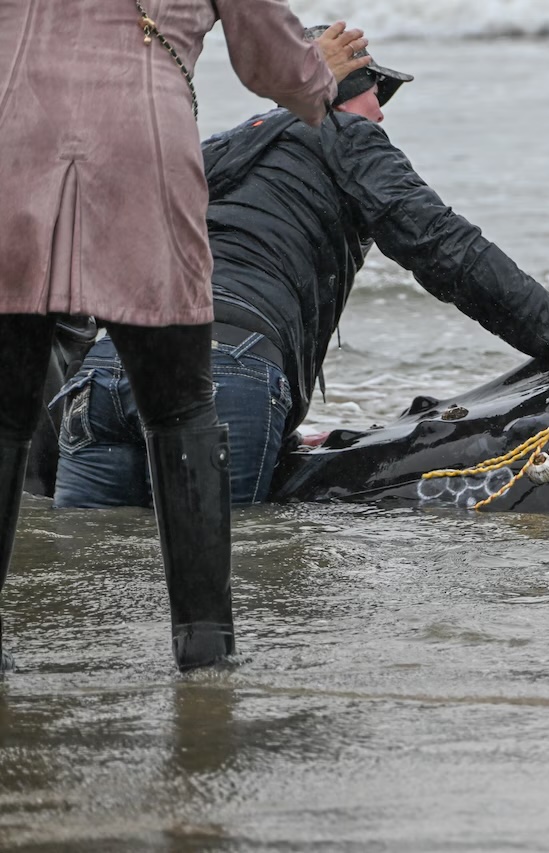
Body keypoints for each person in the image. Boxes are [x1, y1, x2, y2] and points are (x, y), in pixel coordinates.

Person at [52, 29, 549, 513]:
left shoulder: (217, 154)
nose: (381, 111)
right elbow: (436, 239)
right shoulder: (344, 135)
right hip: (226, 377)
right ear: (336, 95)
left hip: (109, 374)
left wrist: (275, 427)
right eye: (374, 92)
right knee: (233, 577)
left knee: (93, 567)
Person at [0, 2, 368, 674]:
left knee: (4, 414)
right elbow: (265, 50)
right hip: (140, 139)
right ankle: (204, 651)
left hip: (10, 134)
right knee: (180, 410)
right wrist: (317, 83)